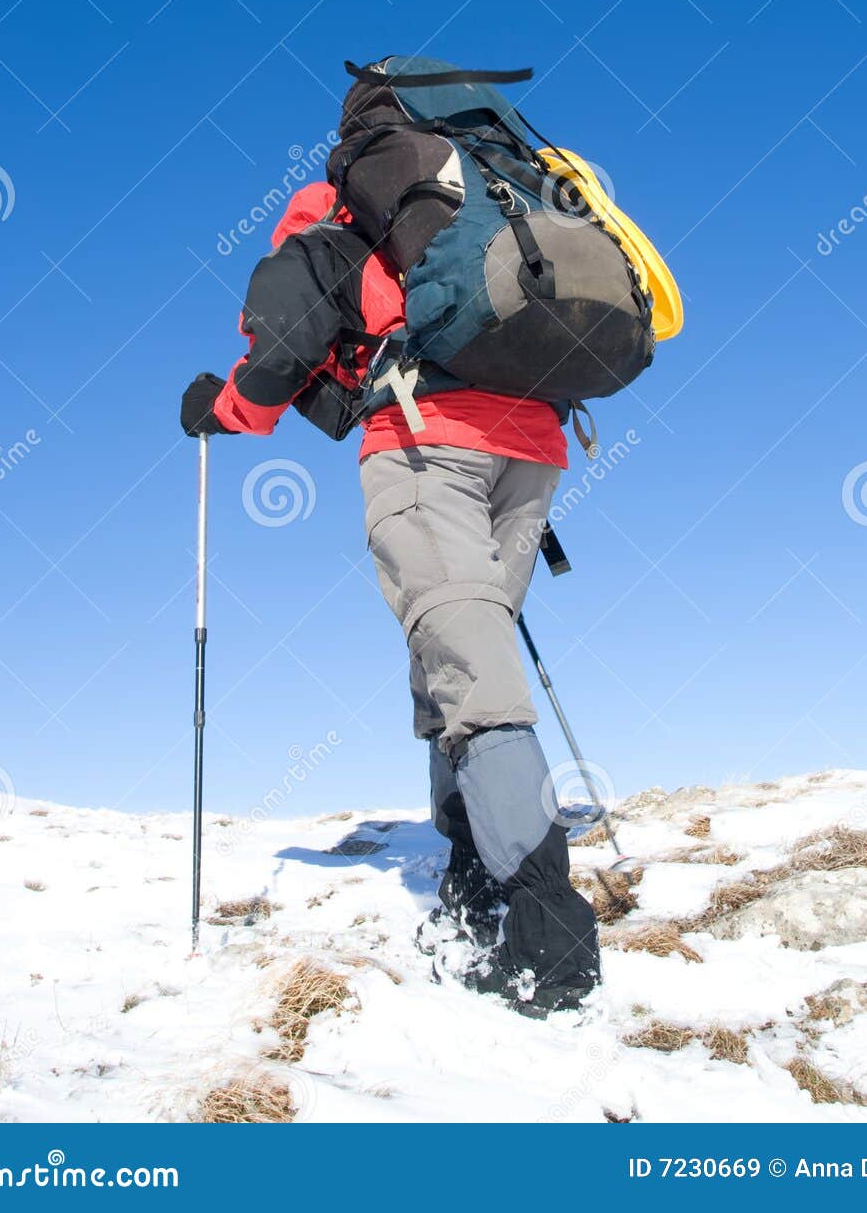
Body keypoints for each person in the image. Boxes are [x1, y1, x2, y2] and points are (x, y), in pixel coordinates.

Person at [180, 177, 600, 1015]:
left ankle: (545, 933)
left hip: (427, 441)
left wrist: (219, 411)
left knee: (468, 662)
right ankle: (475, 872)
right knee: (459, 650)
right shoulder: (478, 221)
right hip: (535, 448)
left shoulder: (327, 240)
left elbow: (278, 356)